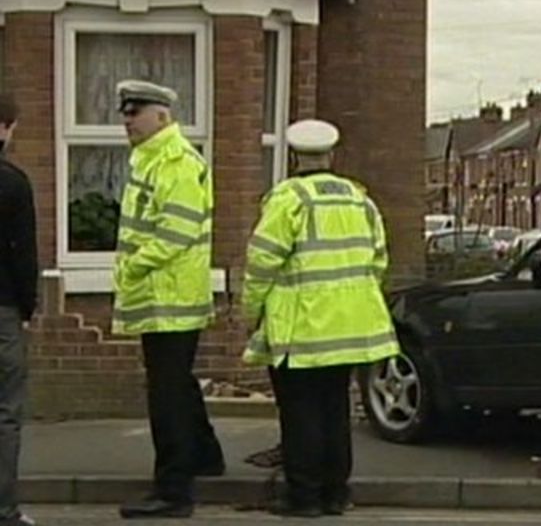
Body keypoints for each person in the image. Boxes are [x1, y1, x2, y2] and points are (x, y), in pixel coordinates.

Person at [241, 119, 399, 518]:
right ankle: (336, 492)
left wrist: (251, 311)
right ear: (332, 155)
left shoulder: (289, 199)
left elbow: (262, 261)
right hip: (351, 326)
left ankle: (304, 496)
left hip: (302, 325)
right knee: (335, 409)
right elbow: (378, 260)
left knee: (300, 412)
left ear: (295, 157)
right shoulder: (360, 200)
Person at [112, 80, 224, 519]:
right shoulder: (152, 160)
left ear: (162, 116)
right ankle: (205, 456)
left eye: (134, 112)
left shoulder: (175, 163)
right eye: (124, 113)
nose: (126, 121)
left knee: (166, 395)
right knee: (177, 383)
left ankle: (174, 490)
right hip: (164, 294)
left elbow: (175, 234)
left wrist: (132, 267)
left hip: (168, 295)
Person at [0, 94, 39, 526]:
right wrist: (28, 307)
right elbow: (22, 255)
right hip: (2, 308)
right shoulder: (12, 182)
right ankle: (3, 510)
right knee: (5, 413)